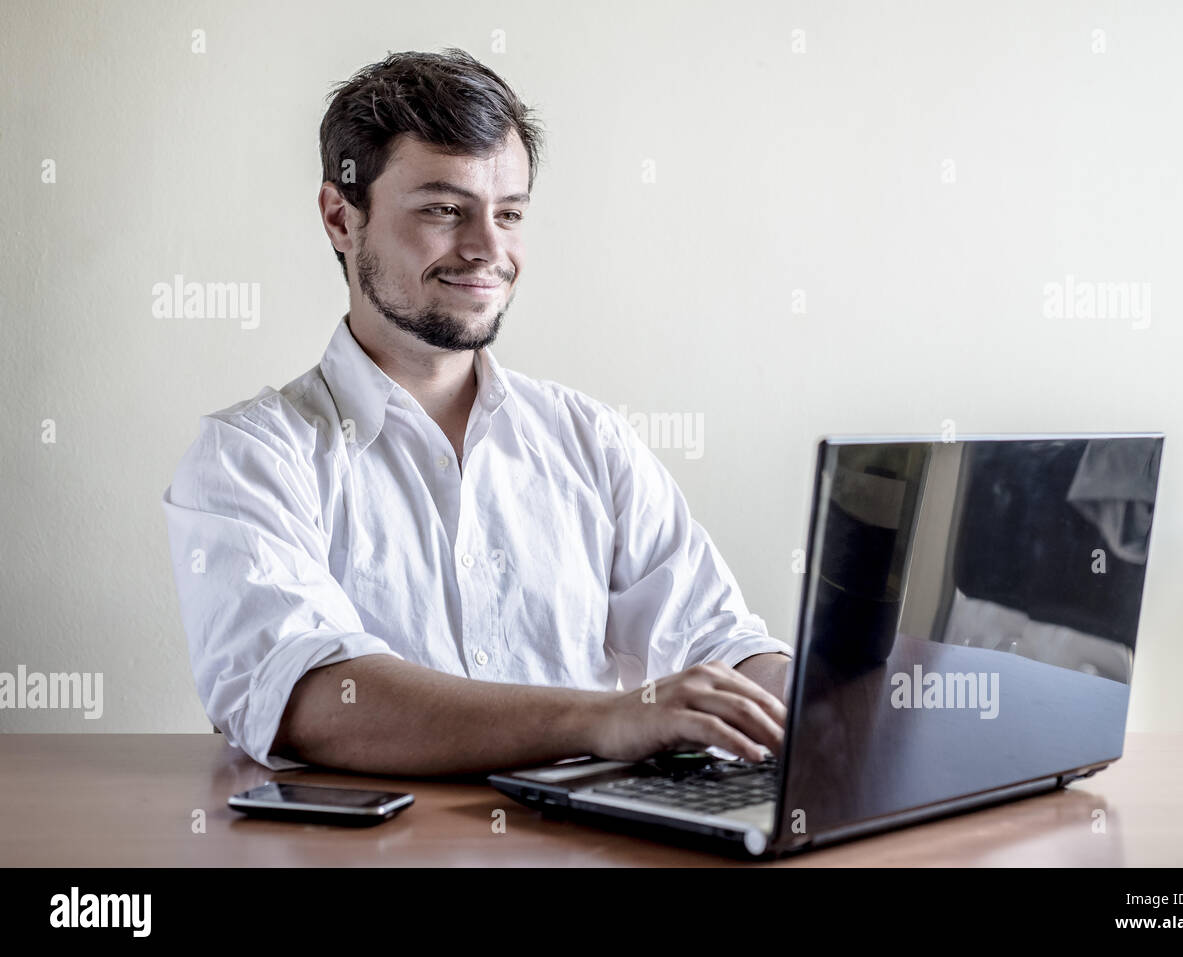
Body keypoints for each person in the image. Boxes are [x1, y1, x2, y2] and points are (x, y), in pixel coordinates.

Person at [161, 49, 792, 777]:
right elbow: (306, 696)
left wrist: (836, 703)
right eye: (442, 209)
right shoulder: (250, 457)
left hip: (590, 848)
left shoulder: (591, 440)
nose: (489, 249)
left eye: (510, 213)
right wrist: (609, 717)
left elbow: (721, 643)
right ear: (341, 217)